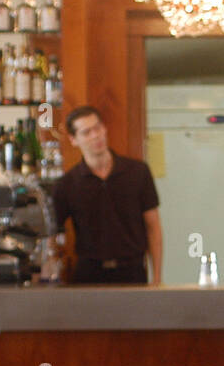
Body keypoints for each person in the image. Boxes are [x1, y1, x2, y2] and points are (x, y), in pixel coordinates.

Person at [51, 105, 163, 284]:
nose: (96, 135)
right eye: (87, 132)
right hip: (89, 273)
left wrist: (157, 277)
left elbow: (153, 226)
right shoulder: (67, 184)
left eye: (97, 128)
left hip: (132, 270)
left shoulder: (137, 172)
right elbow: (53, 234)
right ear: (74, 139)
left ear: (104, 128)